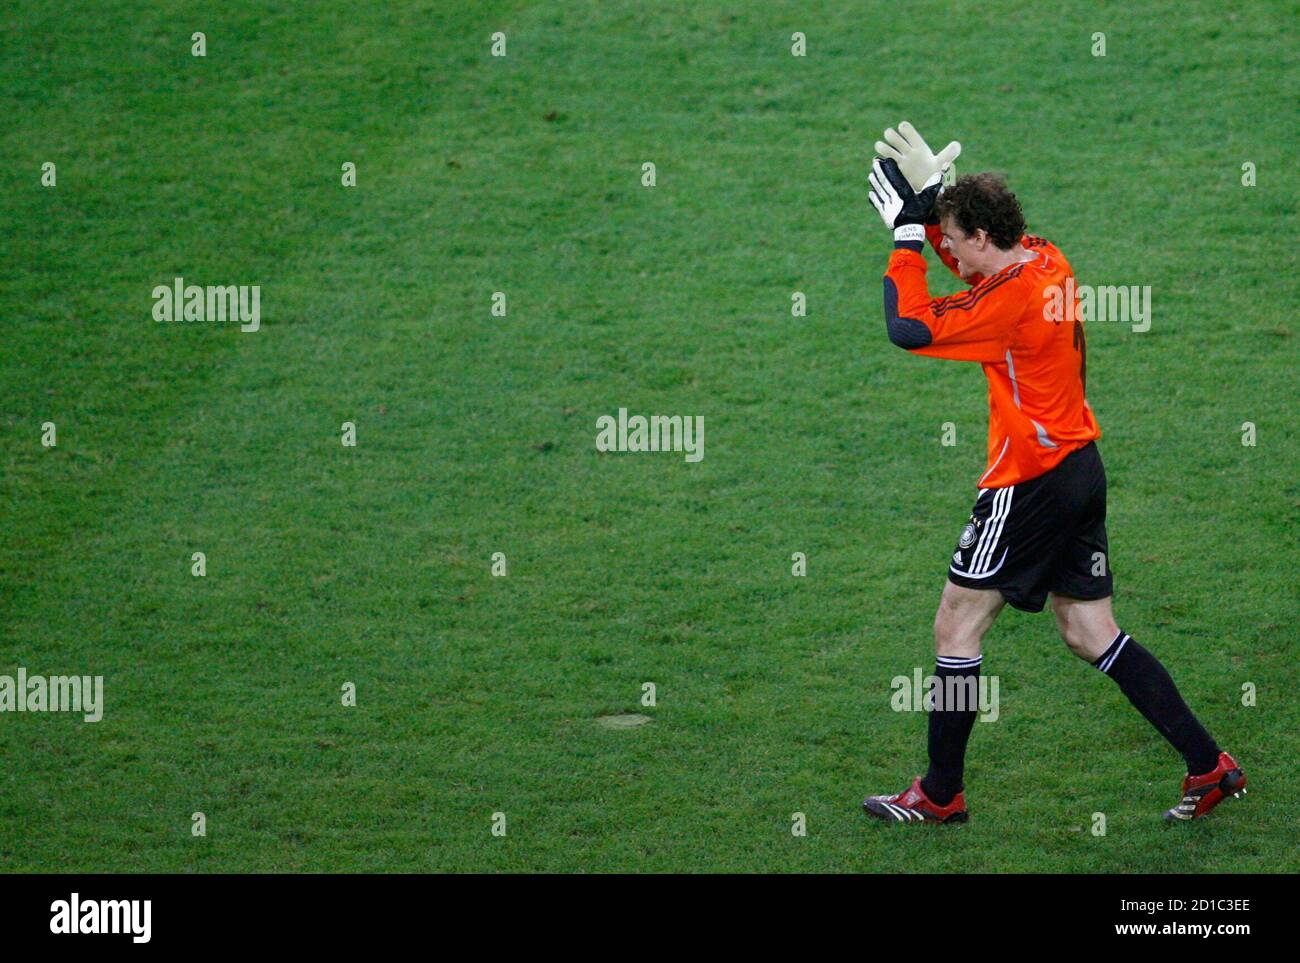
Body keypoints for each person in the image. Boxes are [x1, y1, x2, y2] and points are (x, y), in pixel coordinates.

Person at [858, 126, 1245, 824]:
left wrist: (908, 234)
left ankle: (940, 793)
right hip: (1079, 470)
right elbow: (980, 269)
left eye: (956, 239)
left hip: (1027, 483)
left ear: (981, 235)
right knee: (1090, 630)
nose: (952, 252)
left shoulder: (1006, 305)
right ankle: (1208, 764)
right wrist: (937, 203)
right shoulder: (1045, 257)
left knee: (955, 629)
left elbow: (907, 327)